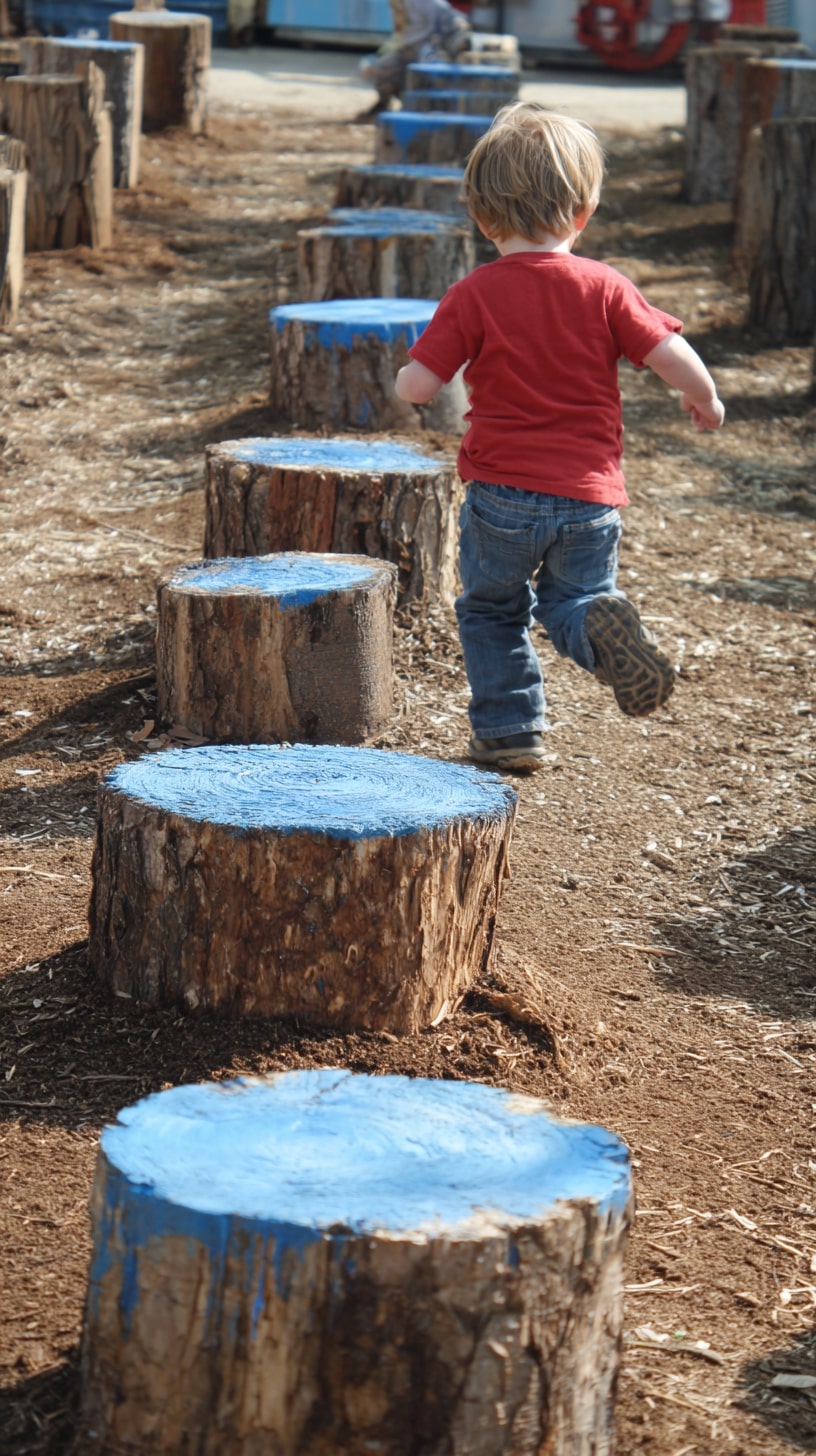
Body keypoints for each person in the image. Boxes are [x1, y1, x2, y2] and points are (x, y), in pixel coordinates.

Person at [395, 103, 725, 773]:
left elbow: (419, 389)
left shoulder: (474, 293)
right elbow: (666, 353)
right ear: (583, 212)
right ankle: (599, 627)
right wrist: (705, 395)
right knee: (571, 600)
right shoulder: (606, 286)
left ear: (483, 217)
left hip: (503, 493)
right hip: (590, 494)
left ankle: (511, 730)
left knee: (492, 609)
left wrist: (407, 374)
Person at [356, 0, 471, 121]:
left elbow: (455, 24)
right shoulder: (398, 3)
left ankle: (424, 109)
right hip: (406, 49)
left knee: (424, 78)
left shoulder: (431, 4)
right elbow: (398, 36)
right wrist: (379, 57)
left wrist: (459, 40)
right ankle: (384, 104)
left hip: (428, 50)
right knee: (383, 68)